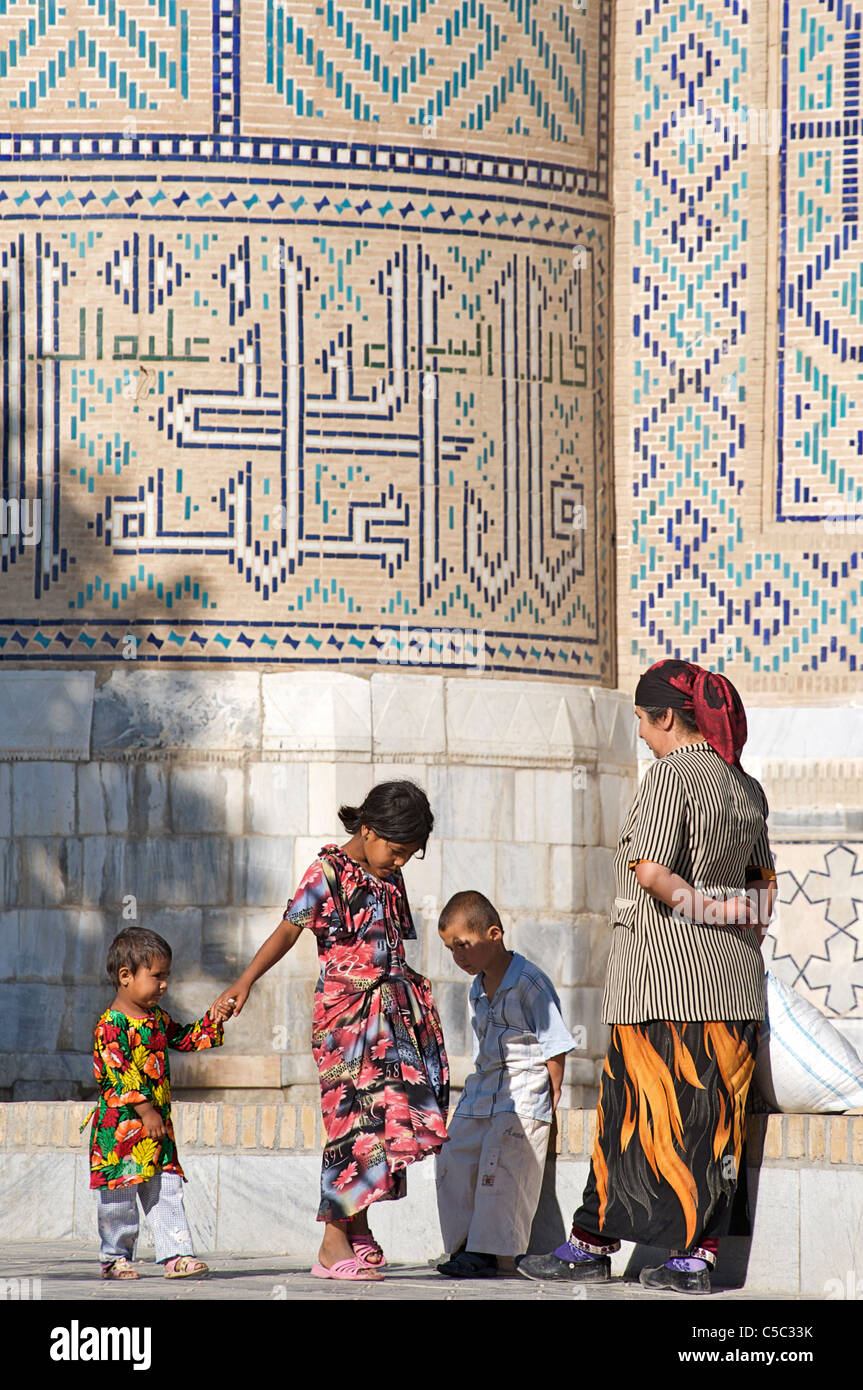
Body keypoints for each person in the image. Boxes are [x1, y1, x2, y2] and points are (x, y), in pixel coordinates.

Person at [519, 659, 777, 1295]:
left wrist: (707, 910)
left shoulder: (672, 777)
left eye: (641, 718)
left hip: (660, 982)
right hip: (733, 985)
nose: (639, 732)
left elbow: (651, 873)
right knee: (711, 1124)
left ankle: (589, 1247)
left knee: (629, 1119)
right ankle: (697, 1259)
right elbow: (766, 893)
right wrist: (735, 917)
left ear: (667, 715)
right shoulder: (744, 787)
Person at [215, 779, 449, 1282]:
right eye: (396, 850)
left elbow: (388, 943)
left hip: (391, 1018)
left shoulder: (389, 876)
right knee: (351, 1124)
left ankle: (357, 1229)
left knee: (384, 1125)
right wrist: (245, 981)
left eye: (411, 854)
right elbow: (287, 929)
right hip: (345, 1022)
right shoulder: (326, 872)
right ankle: (331, 1244)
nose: (401, 862)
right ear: (367, 829)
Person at [434, 890, 576, 1278]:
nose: (458, 956)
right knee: (452, 1154)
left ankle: (487, 1252)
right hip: (483, 1089)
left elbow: (555, 1042)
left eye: (464, 945)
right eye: (450, 949)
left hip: (524, 1088)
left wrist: (553, 1089)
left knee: (503, 1164)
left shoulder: (530, 982)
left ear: (494, 934)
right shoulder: (476, 987)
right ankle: (462, 1245)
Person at [86, 927, 233, 1281]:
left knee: (167, 1189)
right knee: (118, 1196)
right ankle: (116, 1257)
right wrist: (146, 1111)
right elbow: (120, 1074)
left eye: (167, 976)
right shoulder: (110, 1026)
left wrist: (213, 1020)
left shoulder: (156, 1019)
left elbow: (182, 1037)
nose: (164, 985)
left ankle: (177, 1254)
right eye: (157, 977)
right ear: (125, 976)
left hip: (156, 1131)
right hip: (119, 1134)